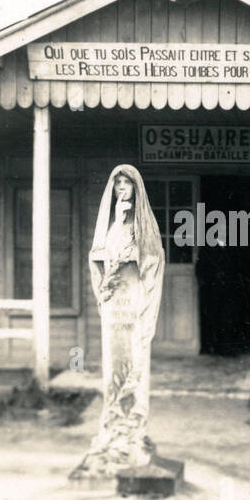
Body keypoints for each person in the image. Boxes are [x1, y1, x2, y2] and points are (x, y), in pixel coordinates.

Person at [73, 164, 165, 475]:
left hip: (135, 302)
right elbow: (97, 257)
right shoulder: (112, 227)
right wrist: (105, 277)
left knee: (136, 360)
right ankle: (112, 428)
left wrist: (135, 260)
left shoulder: (142, 226)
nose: (122, 188)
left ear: (136, 189)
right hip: (113, 307)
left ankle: (133, 431)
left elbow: (153, 259)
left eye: (127, 184)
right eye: (118, 184)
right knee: (113, 364)